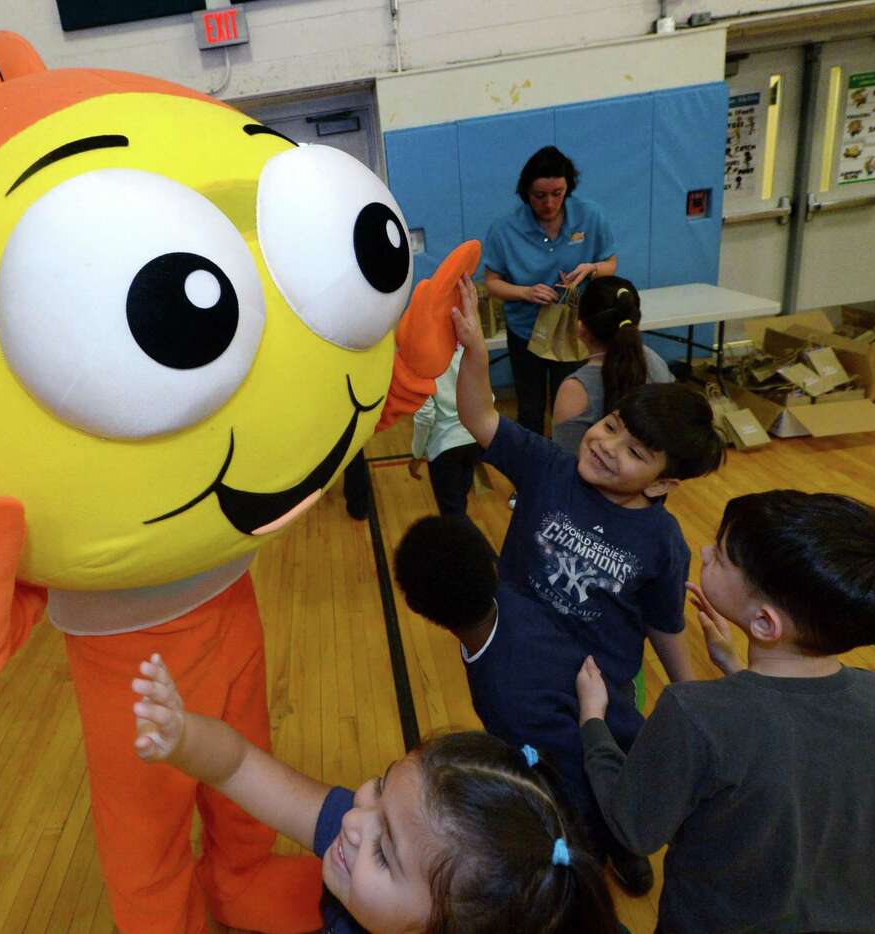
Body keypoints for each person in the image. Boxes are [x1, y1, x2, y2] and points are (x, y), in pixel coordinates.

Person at [450, 271, 726, 892]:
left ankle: (617, 840)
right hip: (518, 669)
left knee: (602, 777)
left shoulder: (662, 542)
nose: (606, 446)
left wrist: (691, 697)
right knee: (532, 775)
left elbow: (662, 623)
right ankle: (560, 849)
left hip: (598, 694)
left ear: (661, 483)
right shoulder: (550, 468)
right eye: (613, 427)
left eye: (633, 452)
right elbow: (478, 415)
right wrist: (472, 351)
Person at [575, 490, 875, 933]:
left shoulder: (695, 713)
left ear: (765, 623)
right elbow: (790, 743)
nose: (704, 551)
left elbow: (634, 829)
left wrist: (594, 723)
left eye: (721, 556)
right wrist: (735, 666)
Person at [132, 655, 621, 934]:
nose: (353, 819)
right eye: (380, 787)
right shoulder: (369, 829)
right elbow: (240, 765)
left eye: (384, 855)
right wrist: (183, 737)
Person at [394, 515, 658, 882]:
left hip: (610, 765)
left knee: (601, 817)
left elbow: (571, 777)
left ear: (422, 610)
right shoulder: (510, 596)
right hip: (621, 725)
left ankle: (619, 845)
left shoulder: (504, 698)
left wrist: (585, 851)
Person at [482, 145, 619, 437]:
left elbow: (610, 264)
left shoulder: (590, 216)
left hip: (574, 330)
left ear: (568, 188)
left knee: (569, 406)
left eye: (557, 193)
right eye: (539, 196)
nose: (549, 203)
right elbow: (492, 282)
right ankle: (532, 474)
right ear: (525, 193)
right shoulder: (504, 229)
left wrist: (591, 269)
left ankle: (566, 471)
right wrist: (525, 293)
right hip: (526, 332)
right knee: (530, 409)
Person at [550, 276, 674, 455]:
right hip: (648, 478)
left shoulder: (576, 389)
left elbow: (565, 461)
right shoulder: (655, 361)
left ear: (580, 329)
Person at [409, 345, 483, 517]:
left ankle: (473, 544)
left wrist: (417, 454)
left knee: (453, 515)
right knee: (460, 505)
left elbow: (425, 416)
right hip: (472, 439)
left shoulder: (420, 362)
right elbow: (486, 395)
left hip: (445, 447)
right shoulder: (466, 348)